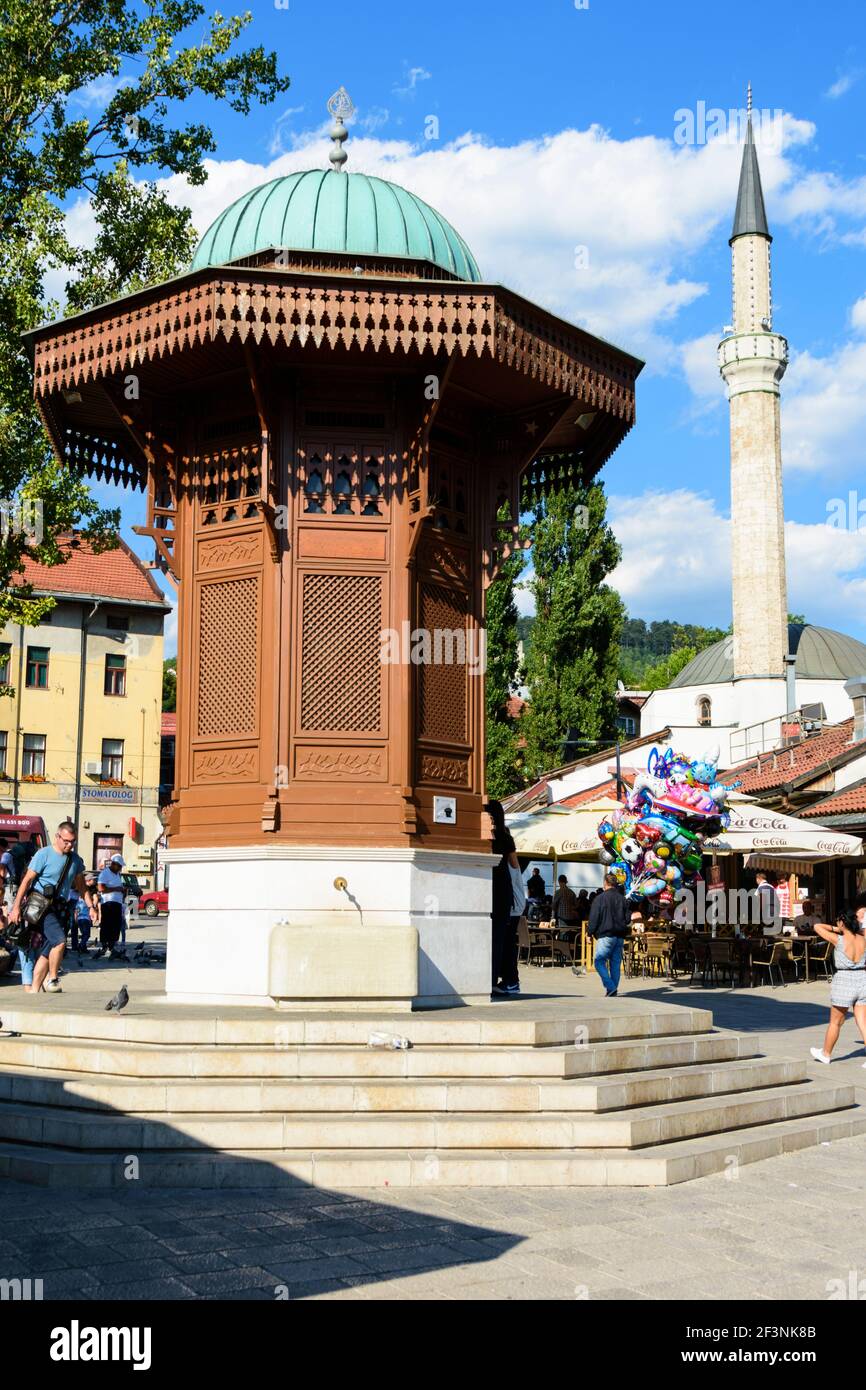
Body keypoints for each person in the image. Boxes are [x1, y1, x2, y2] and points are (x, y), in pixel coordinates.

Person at [6, 821, 94, 995]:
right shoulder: (43, 854)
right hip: (40, 908)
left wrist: (91, 907)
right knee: (60, 941)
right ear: (57, 836)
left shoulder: (75, 860)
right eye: (66, 841)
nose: (69, 845)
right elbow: (26, 881)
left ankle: (34, 991)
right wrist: (15, 907)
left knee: (47, 952)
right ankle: (52, 979)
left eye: (72, 842)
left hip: (59, 909)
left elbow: (81, 886)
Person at [809, 904, 866, 1067]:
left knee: (836, 1022)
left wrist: (837, 928)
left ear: (842, 922)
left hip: (844, 980)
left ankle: (826, 1053)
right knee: (863, 1022)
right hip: (862, 979)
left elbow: (817, 926)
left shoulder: (838, 939)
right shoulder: (863, 939)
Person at [485, 799, 522, 996]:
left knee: (484, 936)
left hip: (485, 886)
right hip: (503, 889)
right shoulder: (506, 837)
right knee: (498, 938)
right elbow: (515, 865)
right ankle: (491, 980)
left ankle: (485, 978)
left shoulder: (482, 835)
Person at [588, 873, 628, 997]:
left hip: (606, 935)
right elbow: (627, 919)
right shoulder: (623, 899)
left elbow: (594, 918)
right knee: (615, 964)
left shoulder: (600, 899)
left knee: (599, 961)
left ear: (605, 883)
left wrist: (589, 933)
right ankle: (612, 989)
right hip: (620, 935)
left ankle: (610, 987)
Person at [95, 853, 126, 959]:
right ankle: (104, 945)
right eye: (120, 866)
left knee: (116, 924)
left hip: (117, 903)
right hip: (108, 902)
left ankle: (112, 946)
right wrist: (116, 889)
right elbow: (101, 888)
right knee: (107, 924)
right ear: (114, 864)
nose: (120, 869)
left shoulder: (117, 874)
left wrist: (121, 890)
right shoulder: (105, 873)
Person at [71, 873, 100, 955]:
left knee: (85, 933)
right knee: (86, 934)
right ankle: (81, 946)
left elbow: (76, 910)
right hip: (84, 918)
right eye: (93, 880)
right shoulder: (81, 897)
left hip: (82, 917)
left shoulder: (91, 891)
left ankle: (82, 947)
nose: (95, 881)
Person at [552, 875, 581, 939]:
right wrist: (570, 908)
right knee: (569, 933)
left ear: (559, 882)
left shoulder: (558, 892)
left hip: (562, 917)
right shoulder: (571, 892)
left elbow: (554, 906)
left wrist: (553, 916)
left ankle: (562, 947)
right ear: (566, 881)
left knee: (563, 933)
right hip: (571, 917)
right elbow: (576, 905)